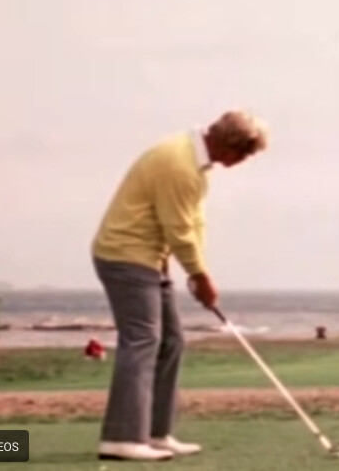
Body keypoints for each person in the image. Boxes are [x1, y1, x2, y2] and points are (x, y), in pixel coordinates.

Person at [90, 111, 268, 460]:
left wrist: (197, 272)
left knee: (171, 341)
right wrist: (200, 276)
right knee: (143, 340)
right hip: (125, 255)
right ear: (225, 143)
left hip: (152, 258)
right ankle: (122, 438)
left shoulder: (196, 164)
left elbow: (192, 223)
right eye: (243, 154)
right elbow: (179, 229)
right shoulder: (179, 165)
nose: (242, 162)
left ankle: (156, 433)